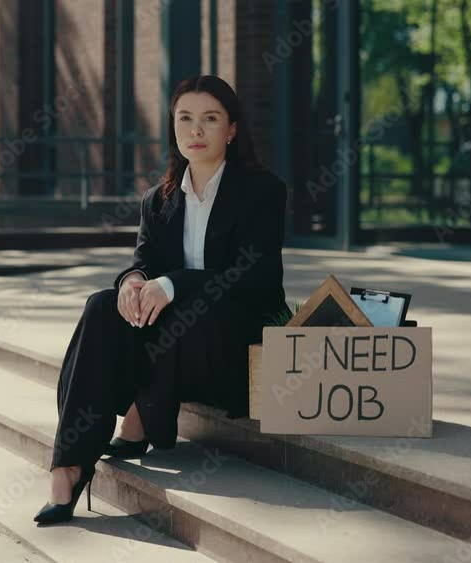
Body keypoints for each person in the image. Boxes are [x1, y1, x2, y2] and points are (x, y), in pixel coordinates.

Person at [33, 75, 289, 525]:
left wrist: (173, 284)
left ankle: (139, 415)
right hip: (176, 348)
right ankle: (69, 464)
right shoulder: (159, 199)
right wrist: (133, 281)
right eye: (185, 118)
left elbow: (257, 278)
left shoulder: (262, 192)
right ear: (173, 127)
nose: (196, 130)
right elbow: (144, 261)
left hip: (232, 349)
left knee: (183, 304)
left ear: (231, 130)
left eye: (210, 119)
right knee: (102, 305)